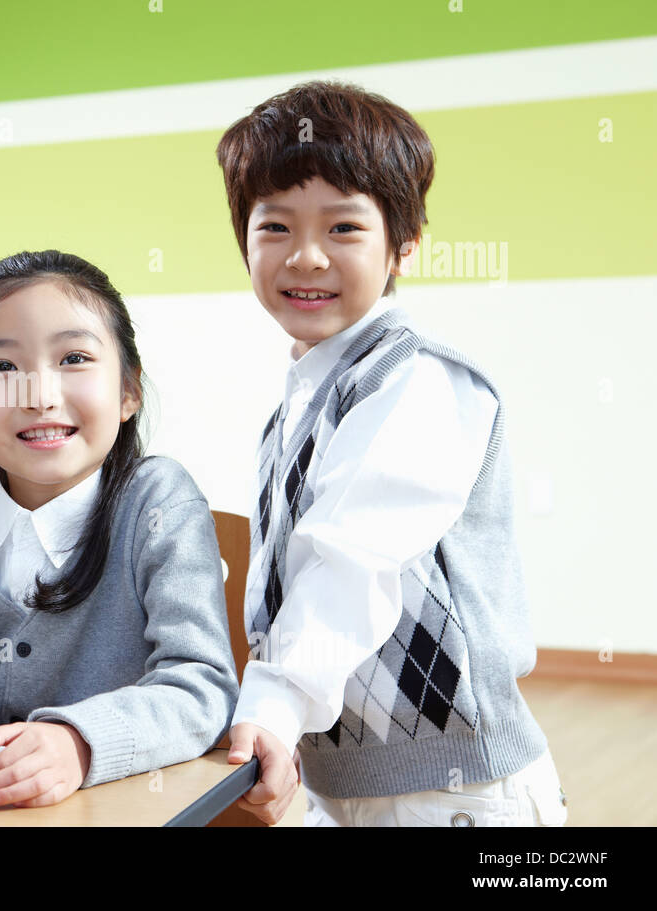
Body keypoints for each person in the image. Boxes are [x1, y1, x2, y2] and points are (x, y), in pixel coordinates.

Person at [215, 80, 566, 826]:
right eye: (275, 227)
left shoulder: (419, 380)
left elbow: (352, 562)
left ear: (405, 244)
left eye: (343, 229)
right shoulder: (299, 401)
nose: (305, 256)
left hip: (456, 791)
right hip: (342, 781)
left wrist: (272, 706)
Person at [0, 250, 238, 808]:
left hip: (126, 808)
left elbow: (200, 686)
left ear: (129, 392)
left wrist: (80, 743)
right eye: (3, 368)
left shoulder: (158, 504)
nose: (38, 395)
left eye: (75, 357)